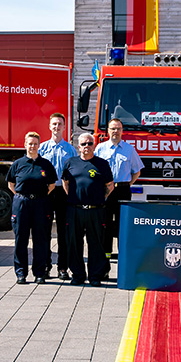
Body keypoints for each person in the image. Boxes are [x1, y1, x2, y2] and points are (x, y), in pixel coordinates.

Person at [62, 133, 114, 286]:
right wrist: (76, 198)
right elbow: (66, 183)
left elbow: (109, 186)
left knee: (96, 243)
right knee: (74, 242)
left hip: (96, 210)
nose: (87, 146)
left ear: (94, 145)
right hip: (75, 210)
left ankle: (95, 276)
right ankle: (77, 275)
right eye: (83, 144)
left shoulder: (102, 164)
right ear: (79, 147)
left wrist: (98, 199)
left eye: (90, 143)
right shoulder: (70, 163)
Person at [6, 132, 57, 285]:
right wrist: (23, 197)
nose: (33, 146)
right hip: (22, 203)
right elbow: (11, 184)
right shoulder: (18, 164)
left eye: (35, 143)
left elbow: (52, 185)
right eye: (30, 143)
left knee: (40, 239)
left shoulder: (45, 164)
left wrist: (38, 197)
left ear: (39, 145)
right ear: (25, 145)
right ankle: (21, 273)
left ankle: (40, 273)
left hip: (40, 204)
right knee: (21, 239)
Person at [94, 118, 143, 274]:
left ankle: (125, 264)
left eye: (118, 128)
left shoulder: (129, 150)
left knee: (124, 226)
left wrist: (127, 184)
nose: (115, 131)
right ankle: (105, 265)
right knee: (105, 226)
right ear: (108, 131)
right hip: (105, 192)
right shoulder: (100, 149)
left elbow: (137, 171)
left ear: (123, 131)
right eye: (112, 128)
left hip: (122, 190)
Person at [38, 112, 76, 281]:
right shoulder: (42, 148)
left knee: (63, 232)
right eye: (54, 124)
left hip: (63, 192)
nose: (57, 127)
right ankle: (45, 266)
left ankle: (62, 268)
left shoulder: (70, 149)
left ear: (64, 127)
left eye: (60, 124)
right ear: (49, 126)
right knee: (44, 230)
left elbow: (75, 171)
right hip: (46, 193)